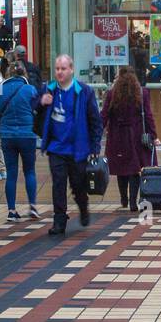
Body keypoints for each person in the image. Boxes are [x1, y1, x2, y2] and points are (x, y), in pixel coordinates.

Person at [38, 54, 102, 236]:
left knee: (78, 184)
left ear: (71, 69)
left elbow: (95, 121)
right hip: (56, 148)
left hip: (78, 149)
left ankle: (83, 206)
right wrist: (41, 102)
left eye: (63, 69)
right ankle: (59, 220)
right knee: (58, 184)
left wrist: (95, 147)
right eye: (57, 68)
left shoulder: (84, 91)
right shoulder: (49, 89)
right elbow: (33, 106)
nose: (59, 72)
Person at [101, 68, 157, 214]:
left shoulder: (112, 94)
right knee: (134, 169)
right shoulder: (142, 93)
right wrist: (153, 134)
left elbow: (104, 115)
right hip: (136, 136)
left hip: (117, 136)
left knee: (122, 168)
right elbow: (148, 115)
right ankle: (133, 201)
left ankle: (123, 198)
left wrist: (96, 133)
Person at [0, 62, 41, 221]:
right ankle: (32, 207)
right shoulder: (30, 89)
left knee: (11, 173)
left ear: (8, 74)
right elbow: (37, 110)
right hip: (27, 135)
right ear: (24, 73)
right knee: (30, 171)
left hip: (7, 135)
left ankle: (12, 211)